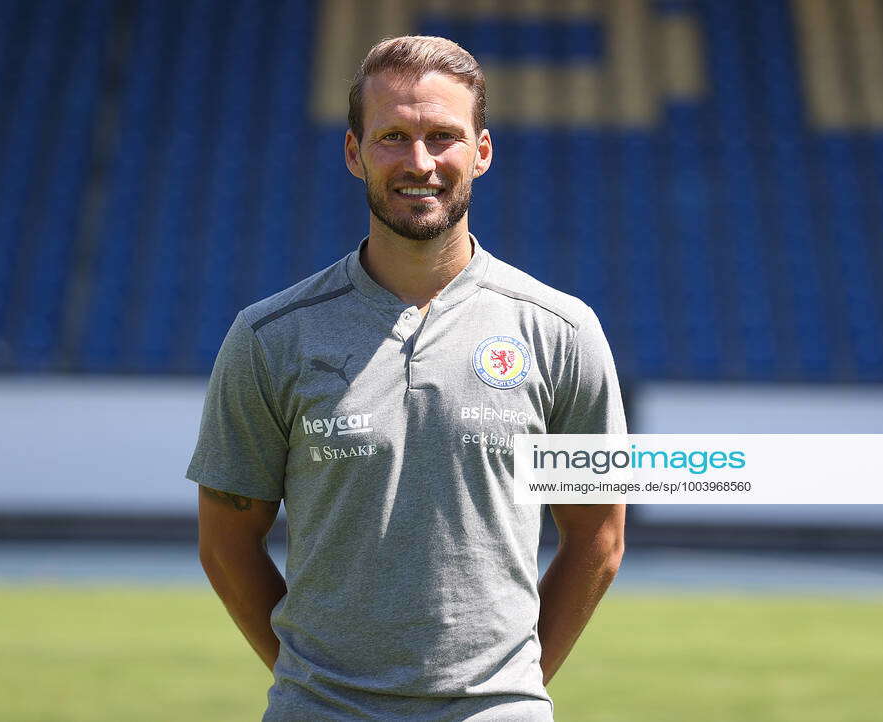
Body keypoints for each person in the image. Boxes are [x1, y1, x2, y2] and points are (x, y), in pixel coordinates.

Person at [187, 35, 626, 721]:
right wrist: (316, 685)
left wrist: (511, 687)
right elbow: (225, 542)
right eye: (393, 136)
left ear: (481, 151)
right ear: (353, 152)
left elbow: (599, 535)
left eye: (443, 136)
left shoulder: (561, 333)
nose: (419, 162)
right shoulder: (270, 336)